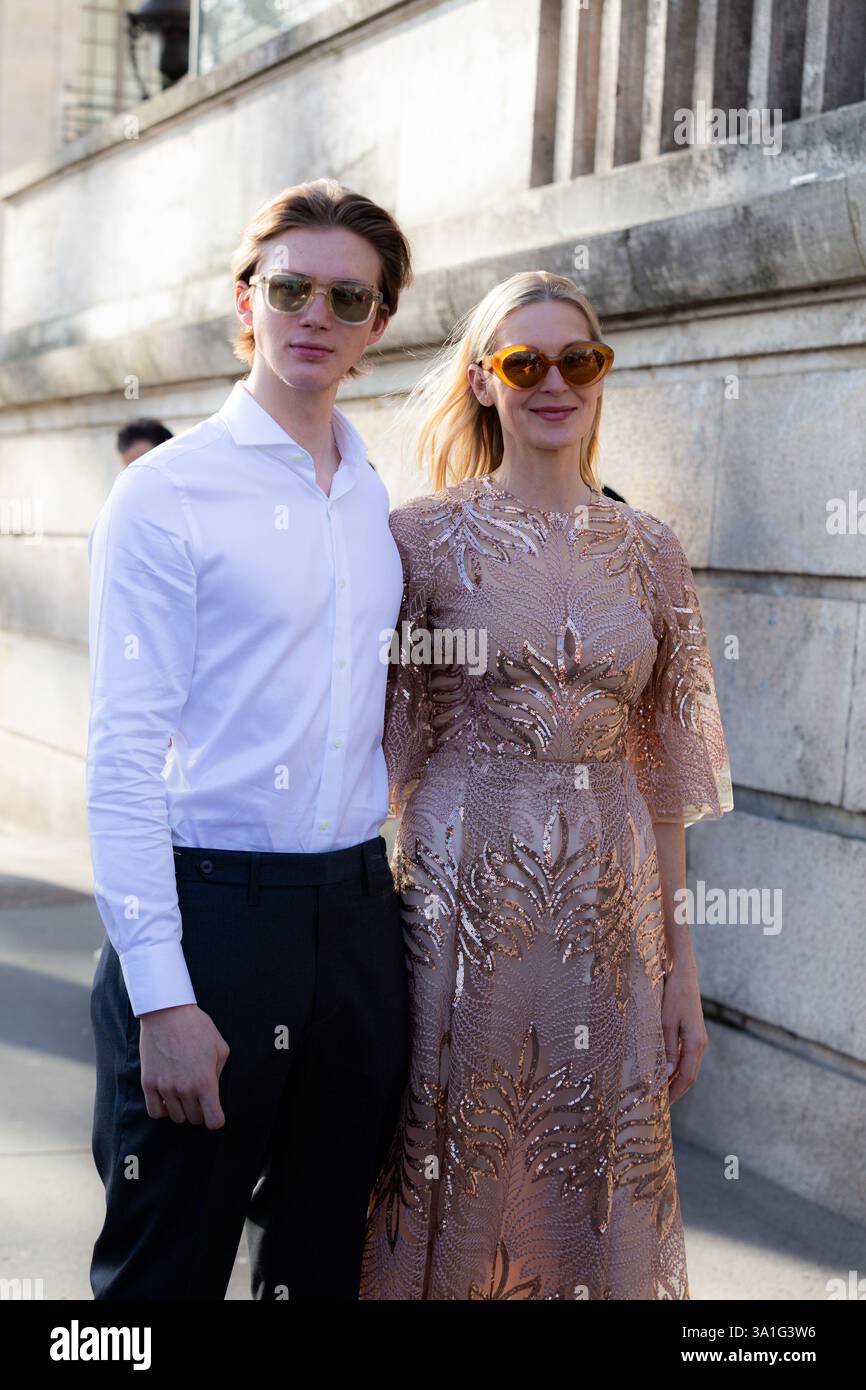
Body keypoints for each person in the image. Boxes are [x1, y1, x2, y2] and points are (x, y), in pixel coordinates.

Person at [361, 270, 734, 1300]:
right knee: (450, 1152)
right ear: (483, 382)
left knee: (592, 1168)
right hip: (455, 905)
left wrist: (679, 970)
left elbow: (665, 785)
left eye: (579, 359)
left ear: (600, 376)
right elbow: (369, 756)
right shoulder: (416, 538)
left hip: (608, 921)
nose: (553, 381)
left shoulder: (649, 549)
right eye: (524, 363)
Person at [86, 179, 414, 1299]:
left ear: (376, 325)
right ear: (247, 301)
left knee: (320, 1268)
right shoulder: (166, 494)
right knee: (160, 1278)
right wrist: (163, 996)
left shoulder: (380, 498)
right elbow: (123, 759)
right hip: (212, 921)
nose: (314, 313)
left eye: (345, 295)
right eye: (290, 287)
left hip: (360, 923)